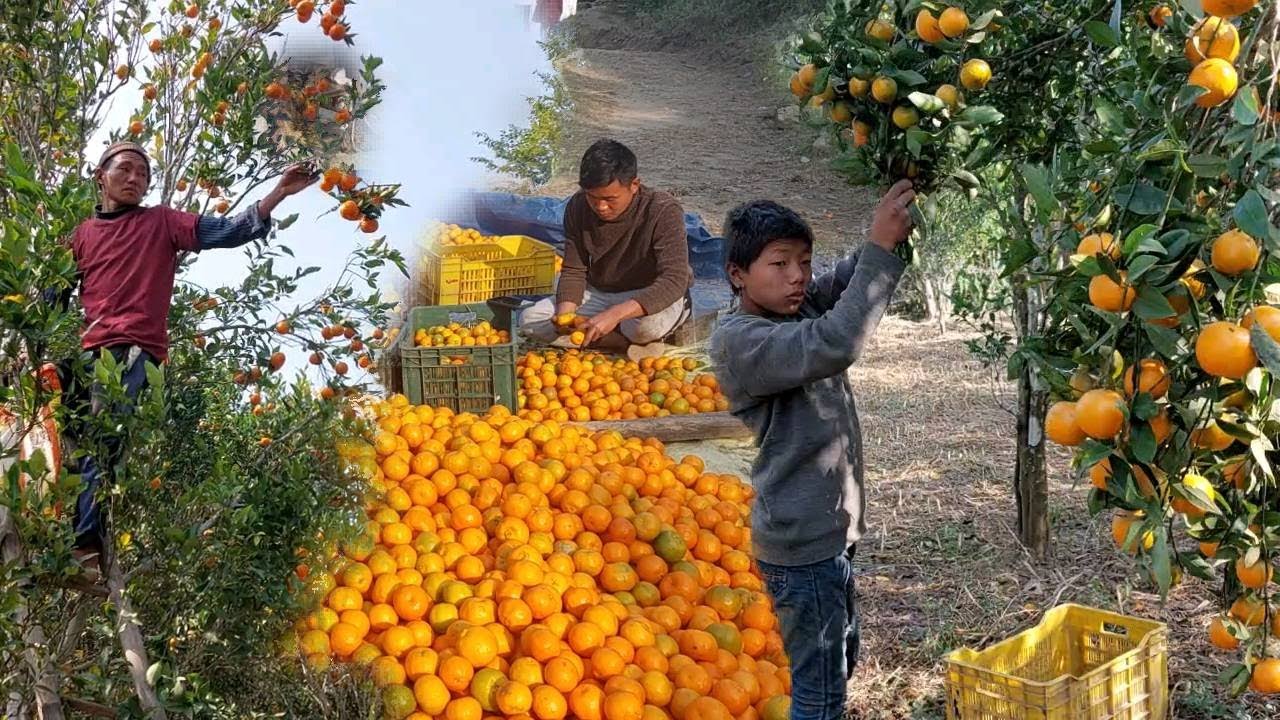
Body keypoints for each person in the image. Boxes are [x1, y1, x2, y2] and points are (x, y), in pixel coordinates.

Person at [54, 140, 315, 574]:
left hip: (133, 351)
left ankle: (86, 548)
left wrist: (278, 193)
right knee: (55, 424)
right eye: (126, 169)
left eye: (142, 173)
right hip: (90, 351)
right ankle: (55, 528)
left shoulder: (161, 222)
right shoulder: (81, 235)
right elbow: (52, 296)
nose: (135, 178)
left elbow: (228, 231)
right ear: (101, 176)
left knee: (103, 440)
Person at [708, 181, 916, 720]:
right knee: (819, 696)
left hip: (829, 535)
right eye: (779, 263)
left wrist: (888, 228)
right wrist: (879, 245)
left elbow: (847, 281)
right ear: (737, 275)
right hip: (802, 550)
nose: (797, 275)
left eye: (803, 261)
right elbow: (836, 342)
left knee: (837, 664)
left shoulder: (788, 309)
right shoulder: (745, 341)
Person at [520, 139, 693, 358]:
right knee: (531, 321)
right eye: (592, 197)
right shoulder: (578, 206)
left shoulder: (662, 210)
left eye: (610, 199)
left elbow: (674, 280)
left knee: (643, 328)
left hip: (647, 294)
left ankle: (624, 334)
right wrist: (566, 315)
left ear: (634, 185)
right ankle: (620, 343)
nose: (600, 207)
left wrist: (616, 314)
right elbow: (574, 269)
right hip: (600, 293)